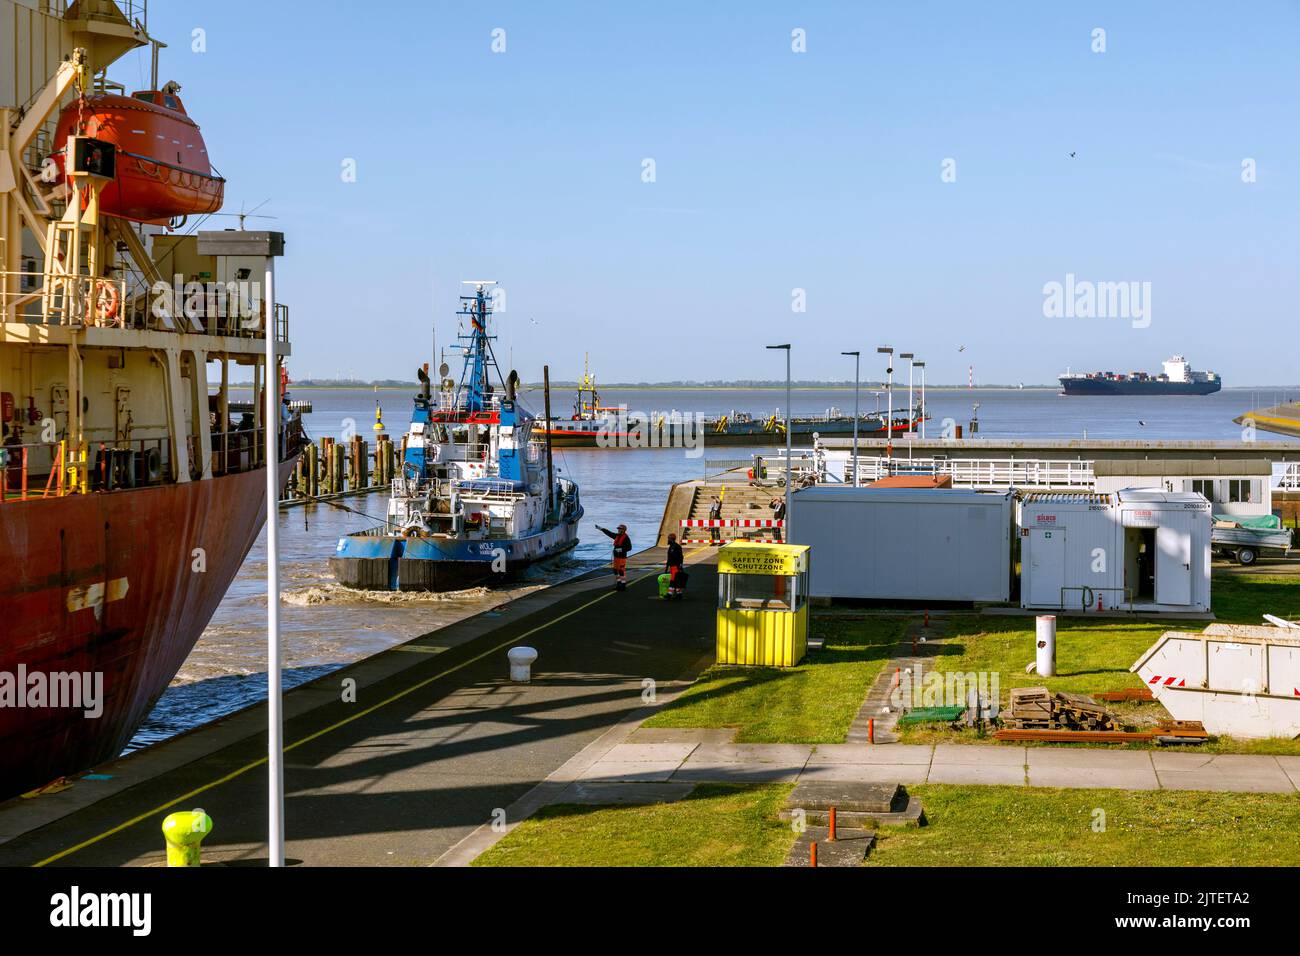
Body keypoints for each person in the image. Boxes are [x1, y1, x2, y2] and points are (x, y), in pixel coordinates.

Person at [596, 522, 632, 590]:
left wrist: (620, 549)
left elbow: (629, 548)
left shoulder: (626, 538)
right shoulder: (617, 536)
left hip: (622, 557)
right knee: (615, 570)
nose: (618, 530)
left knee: (621, 570)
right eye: (618, 529)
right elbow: (609, 533)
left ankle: (623, 585)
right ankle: (618, 584)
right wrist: (600, 528)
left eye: (620, 529)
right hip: (616, 557)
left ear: (624, 530)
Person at [665, 532, 684, 599]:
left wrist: (679, 565)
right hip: (674, 565)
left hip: (675, 566)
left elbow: (678, 557)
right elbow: (680, 557)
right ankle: (679, 594)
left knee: (673, 580)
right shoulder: (674, 546)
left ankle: (669, 594)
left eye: (668, 538)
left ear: (671, 539)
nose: (668, 540)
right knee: (677, 580)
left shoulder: (674, 547)